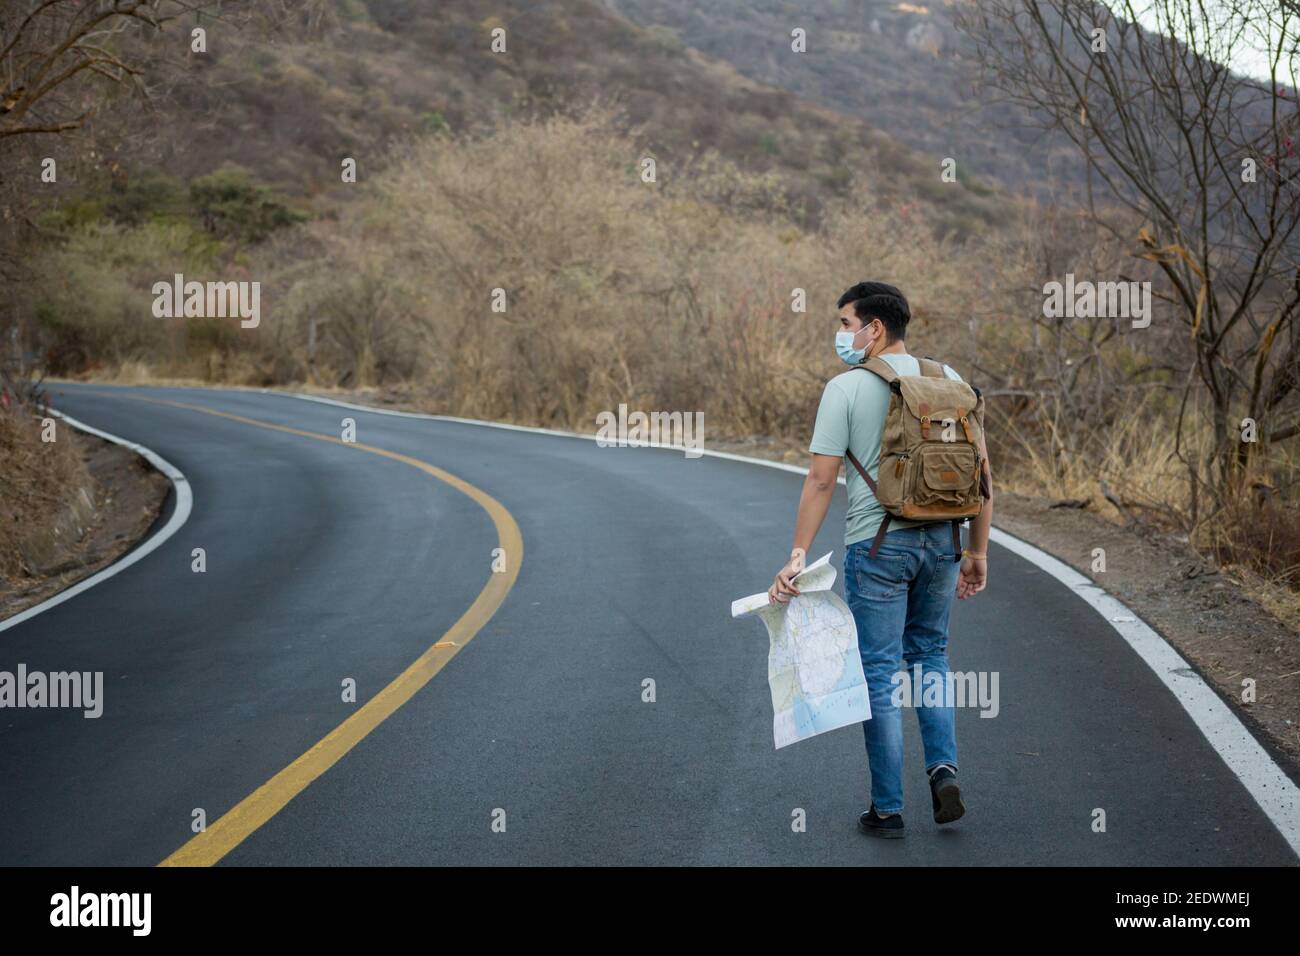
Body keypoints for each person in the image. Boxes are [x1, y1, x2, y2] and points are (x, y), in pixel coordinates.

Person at [768, 280, 992, 839]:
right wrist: (979, 551)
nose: (839, 334)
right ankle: (943, 771)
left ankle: (888, 807)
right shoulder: (951, 382)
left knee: (878, 673)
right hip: (944, 543)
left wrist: (796, 555)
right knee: (930, 656)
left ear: (874, 329)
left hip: (879, 545)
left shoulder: (845, 389)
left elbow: (821, 480)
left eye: (845, 323)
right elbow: (985, 480)